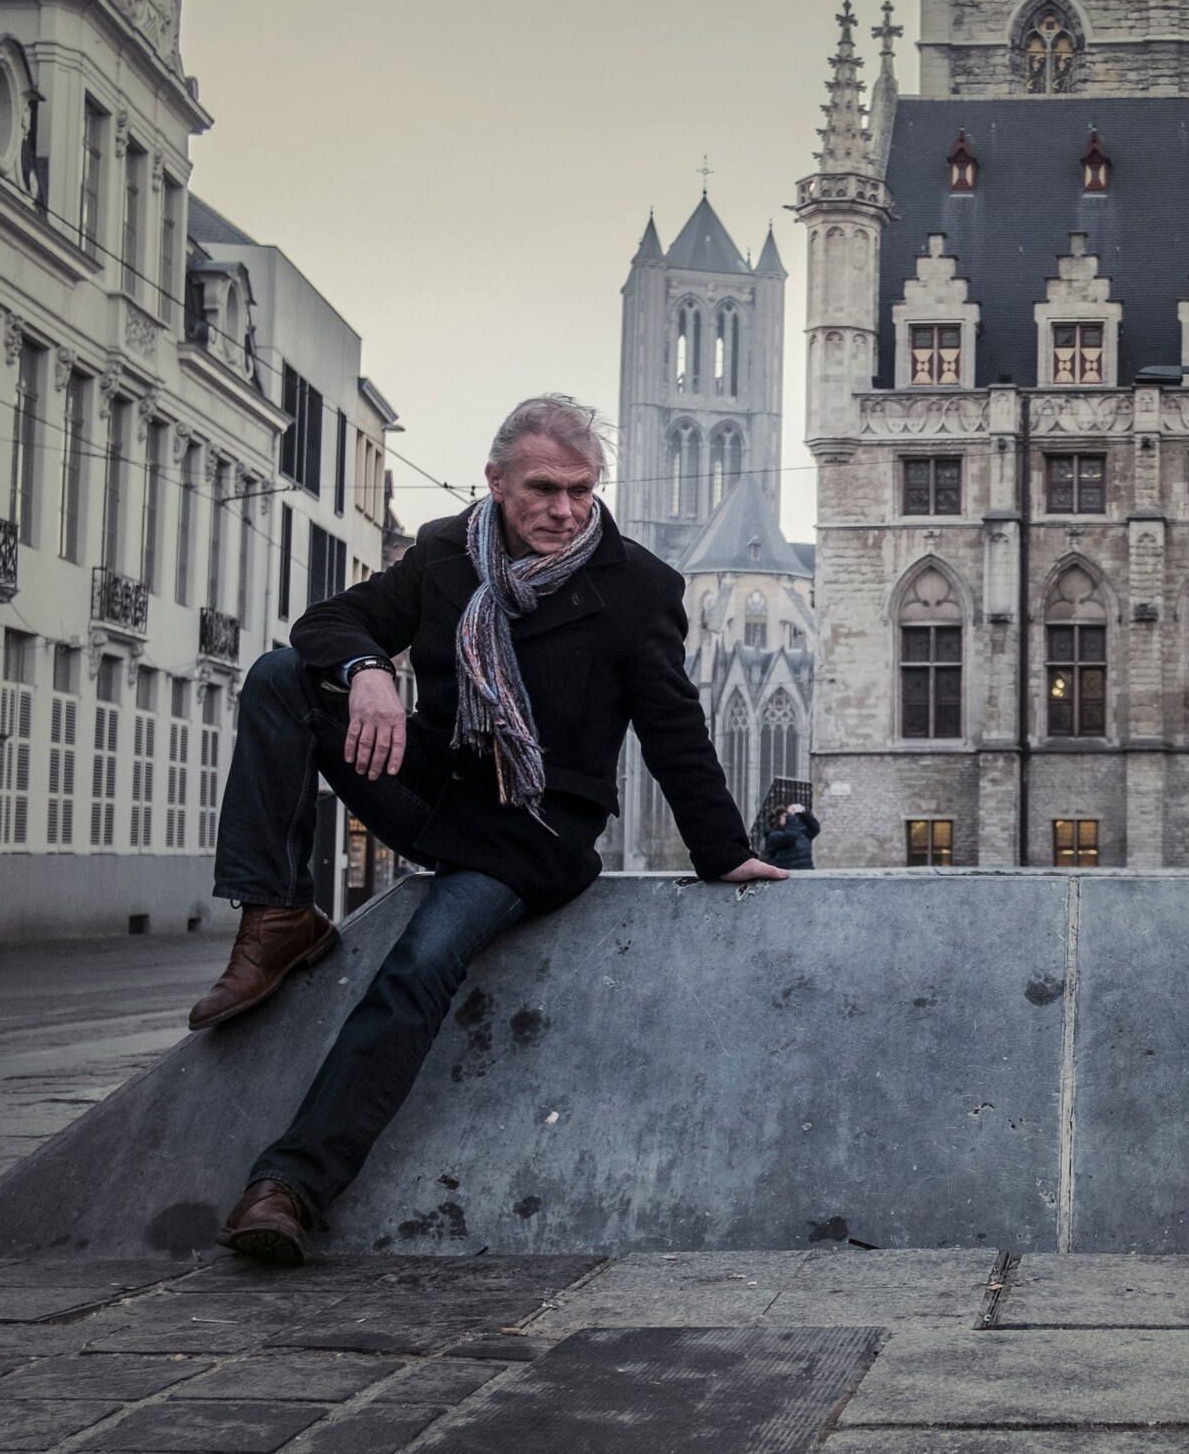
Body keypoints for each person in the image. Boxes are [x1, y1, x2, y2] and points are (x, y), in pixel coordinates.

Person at [190, 395, 784, 1266]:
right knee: (283, 676)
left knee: (419, 967)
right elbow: (325, 624)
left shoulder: (638, 585)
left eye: (583, 491)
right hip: (433, 786)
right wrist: (366, 670)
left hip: (529, 832)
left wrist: (724, 850)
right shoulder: (443, 552)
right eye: (544, 487)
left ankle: (288, 1186)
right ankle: (277, 913)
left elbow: (675, 728)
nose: (566, 510)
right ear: (497, 481)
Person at [762, 802, 820, 871]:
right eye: (783, 816)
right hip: (788, 877)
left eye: (786, 816)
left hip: (806, 874)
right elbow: (790, 836)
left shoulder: (800, 833)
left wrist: (805, 812)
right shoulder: (774, 835)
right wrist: (790, 815)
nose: (786, 818)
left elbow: (814, 828)